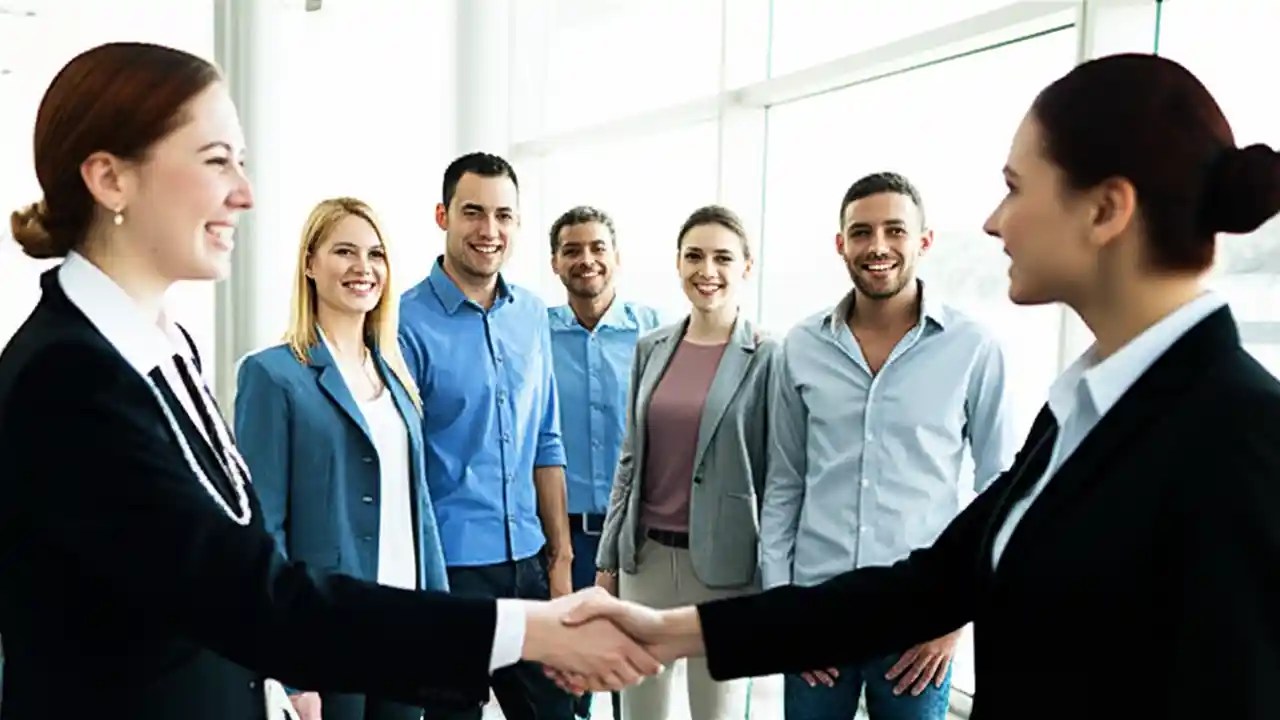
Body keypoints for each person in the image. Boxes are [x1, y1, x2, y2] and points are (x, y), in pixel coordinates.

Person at [554, 53, 1280, 720]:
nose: (995, 223)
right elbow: (927, 584)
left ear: (1105, 210)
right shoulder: (1084, 411)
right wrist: (670, 629)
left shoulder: (1241, 438)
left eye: (1014, 188)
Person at [0, 41, 658, 720]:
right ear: (111, 179)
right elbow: (252, 594)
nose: (244, 193)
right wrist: (526, 632)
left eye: (243, 163)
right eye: (215, 160)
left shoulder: (161, 348)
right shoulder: (69, 378)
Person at [762, 172, 1016, 720]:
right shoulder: (800, 348)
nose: (877, 247)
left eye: (895, 230)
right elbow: (784, 483)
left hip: (917, 624)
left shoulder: (974, 347)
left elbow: (999, 490)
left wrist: (955, 619)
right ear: (841, 245)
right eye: (861, 232)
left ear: (924, 241)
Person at [234, 197, 450, 720]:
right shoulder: (272, 375)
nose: (364, 268)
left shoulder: (397, 378)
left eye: (376, 254)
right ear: (310, 263)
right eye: (345, 252)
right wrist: (287, 669)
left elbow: (419, 510)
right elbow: (263, 529)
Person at [397, 152, 577, 719]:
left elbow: (546, 438)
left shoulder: (531, 315)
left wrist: (561, 560)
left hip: (529, 563)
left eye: (504, 215)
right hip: (451, 572)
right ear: (441, 215)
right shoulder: (402, 323)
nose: (489, 230)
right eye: (473, 212)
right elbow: (400, 461)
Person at [595, 205, 778, 720]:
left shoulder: (768, 356)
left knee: (715, 714)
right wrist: (608, 563)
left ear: (746, 266)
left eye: (723, 257)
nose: (707, 270)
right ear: (677, 264)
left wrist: (775, 578)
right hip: (646, 562)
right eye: (694, 256)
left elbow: (778, 476)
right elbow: (628, 462)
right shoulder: (651, 348)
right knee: (638, 713)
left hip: (725, 571)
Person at [546, 205, 662, 719]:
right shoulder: (532, 334)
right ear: (555, 262)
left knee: (631, 684)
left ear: (617, 257)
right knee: (567, 686)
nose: (585, 260)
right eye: (572, 249)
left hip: (637, 539)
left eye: (597, 248)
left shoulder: (657, 334)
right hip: (560, 538)